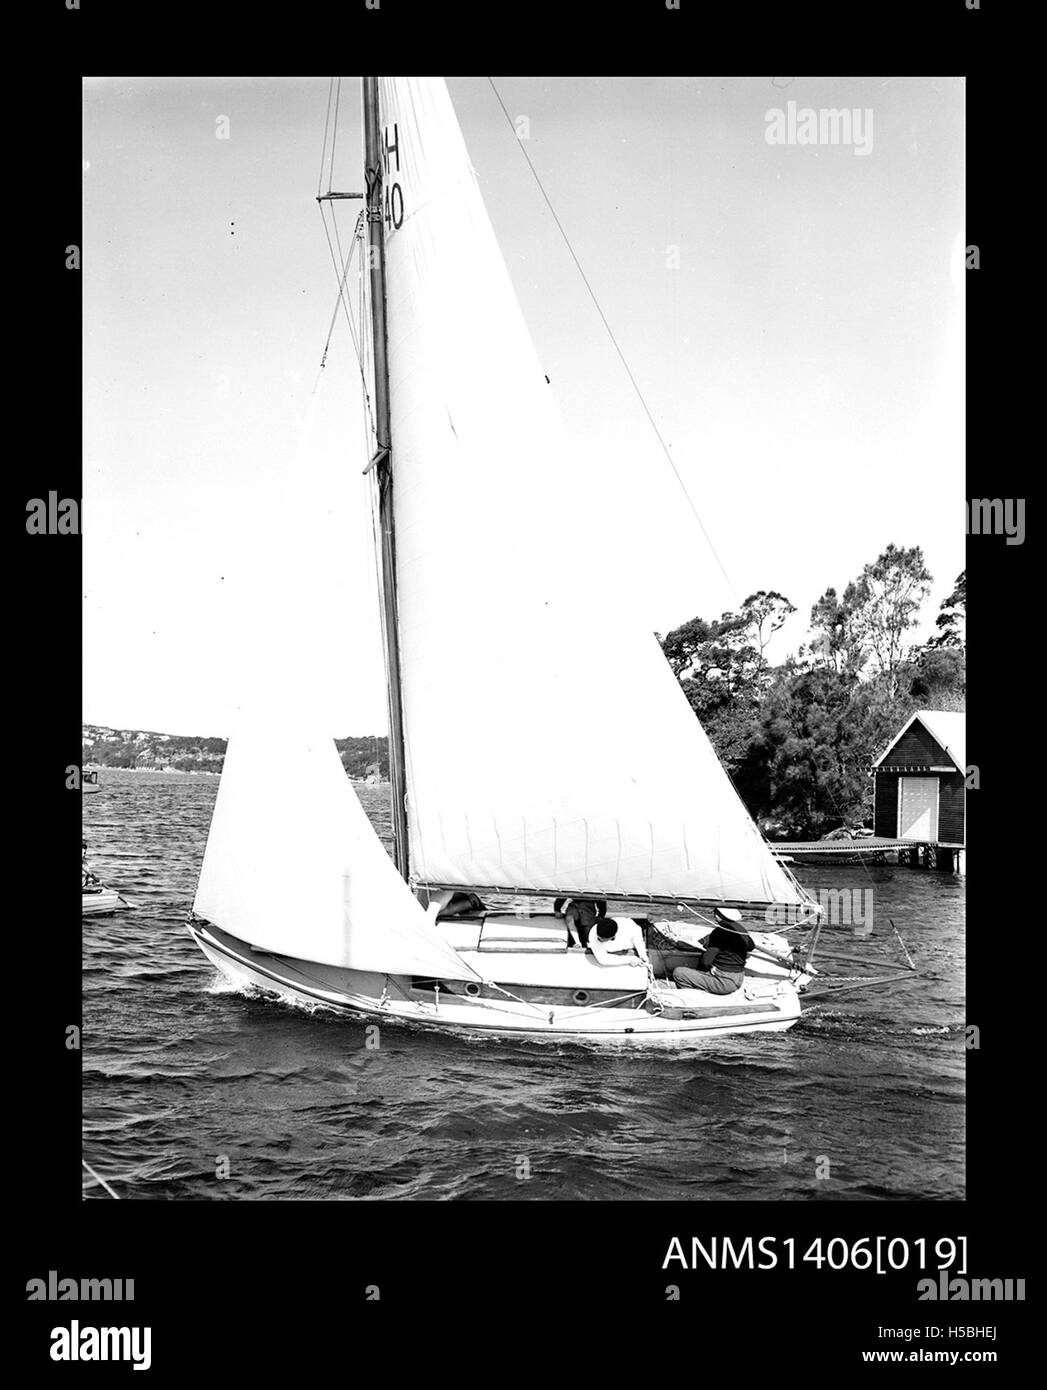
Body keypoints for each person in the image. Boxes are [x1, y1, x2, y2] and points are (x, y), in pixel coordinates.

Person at [671, 907, 755, 995]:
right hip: (738, 978)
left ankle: (694, 997)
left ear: (719, 915)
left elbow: (706, 962)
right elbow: (751, 946)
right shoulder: (741, 929)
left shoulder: (719, 932)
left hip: (723, 982)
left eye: (714, 912)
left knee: (679, 973)